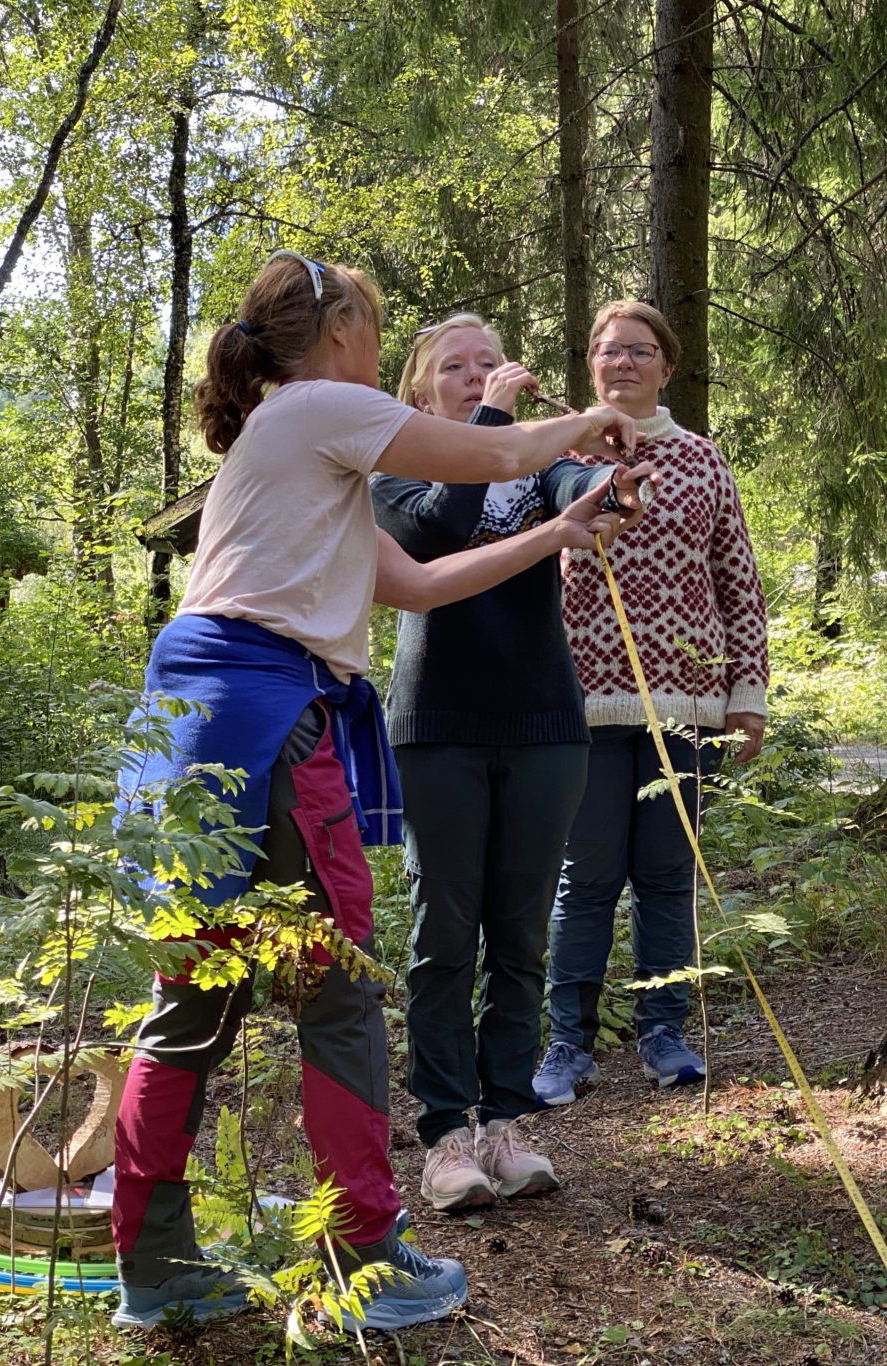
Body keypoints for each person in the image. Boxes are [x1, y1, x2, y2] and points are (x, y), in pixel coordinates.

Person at [110, 251, 652, 1335]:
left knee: (198, 994)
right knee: (339, 989)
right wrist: (582, 420)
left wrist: (555, 530)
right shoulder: (322, 406)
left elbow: (414, 583)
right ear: (346, 332)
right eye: (381, 325)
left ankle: (153, 1261)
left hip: (192, 725)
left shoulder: (293, 443)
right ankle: (362, 1255)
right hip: (265, 716)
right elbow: (487, 450)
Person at [370, 315, 651, 1214]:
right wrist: (493, 421)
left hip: (545, 725)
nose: (479, 374)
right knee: (444, 935)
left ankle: (505, 1122)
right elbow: (435, 535)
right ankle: (446, 1133)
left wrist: (610, 473)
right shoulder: (393, 468)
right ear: (421, 394)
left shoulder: (536, 463)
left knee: (521, 935)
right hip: (437, 725)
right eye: (455, 368)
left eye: (490, 362)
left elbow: (583, 479)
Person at [532, 300, 768, 1108]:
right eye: (608, 351)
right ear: (591, 366)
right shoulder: (559, 454)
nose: (623, 363)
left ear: (667, 366)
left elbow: (739, 582)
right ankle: (568, 1042)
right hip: (583, 705)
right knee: (587, 877)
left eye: (639, 351)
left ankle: (664, 1031)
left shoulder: (703, 462)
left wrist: (748, 696)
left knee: (667, 876)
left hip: (690, 707)